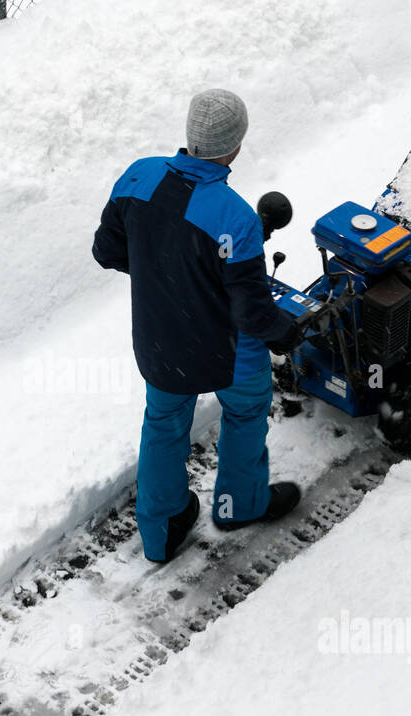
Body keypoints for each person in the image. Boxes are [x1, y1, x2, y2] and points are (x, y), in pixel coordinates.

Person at [91, 88, 304, 564]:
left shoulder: (136, 177)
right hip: (227, 353)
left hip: (158, 341)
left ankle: (160, 532)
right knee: (246, 412)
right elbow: (251, 312)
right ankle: (236, 505)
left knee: (164, 425)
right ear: (237, 146)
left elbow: (107, 251)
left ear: (189, 133)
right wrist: (288, 332)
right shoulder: (236, 217)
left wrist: (163, 276)